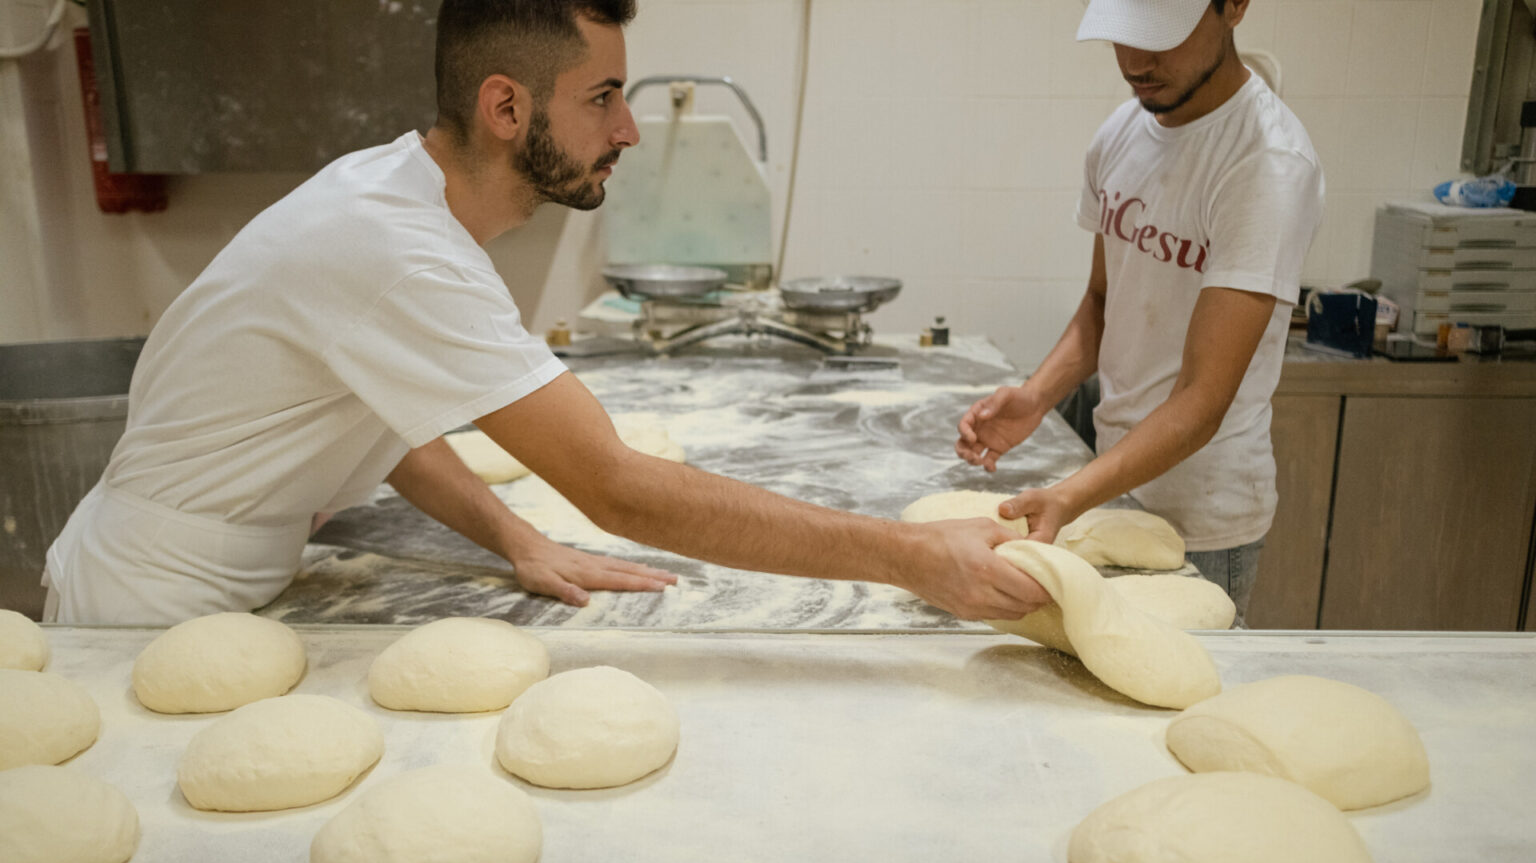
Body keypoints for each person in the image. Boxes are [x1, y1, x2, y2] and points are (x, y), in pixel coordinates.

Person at [44, 0, 1047, 627]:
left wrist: (513, 534)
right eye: (604, 98)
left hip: (212, 588)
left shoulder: (398, 195)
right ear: (506, 107)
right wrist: (909, 558)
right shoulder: (398, 247)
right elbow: (621, 491)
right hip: (149, 611)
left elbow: (387, 419)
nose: (629, 130)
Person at [955, 0, 1323, 622]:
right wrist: (1036, 395)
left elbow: (1204, 398)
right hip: (1114, 489)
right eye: (1123, 36)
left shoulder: (1266, 165)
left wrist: (1070, 494)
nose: (1135, 62)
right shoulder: (1122, 133)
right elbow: (1105, 301)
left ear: (1233, 8)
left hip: (1204, 521)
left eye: (1162, 36)